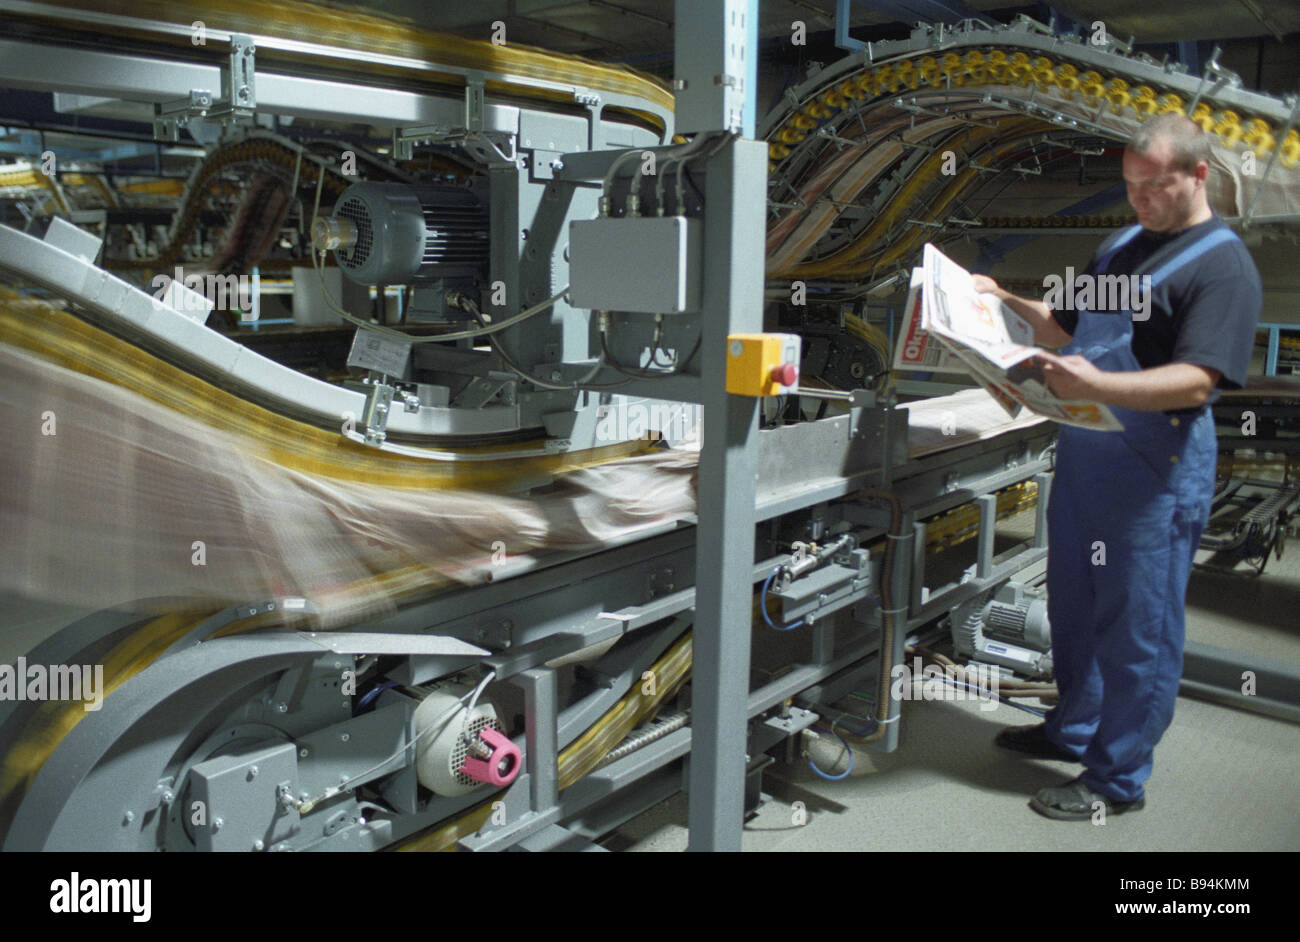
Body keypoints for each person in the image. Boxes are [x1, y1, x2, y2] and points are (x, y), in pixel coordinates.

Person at [971, 113, 1262, 820]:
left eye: (1155, 185)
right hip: (1087, 459)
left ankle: (1117, 779)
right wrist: (999, 299)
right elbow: (1064, 326)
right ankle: (1072, 730)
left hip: (1153, 474)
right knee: (1073, 608)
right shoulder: (1121, 247)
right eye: (1131, 185)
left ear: (1199, 175)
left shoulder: (1222, 267)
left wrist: (1097, 385)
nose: (1141, 200)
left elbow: (1197, 380)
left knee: (1138, 630)